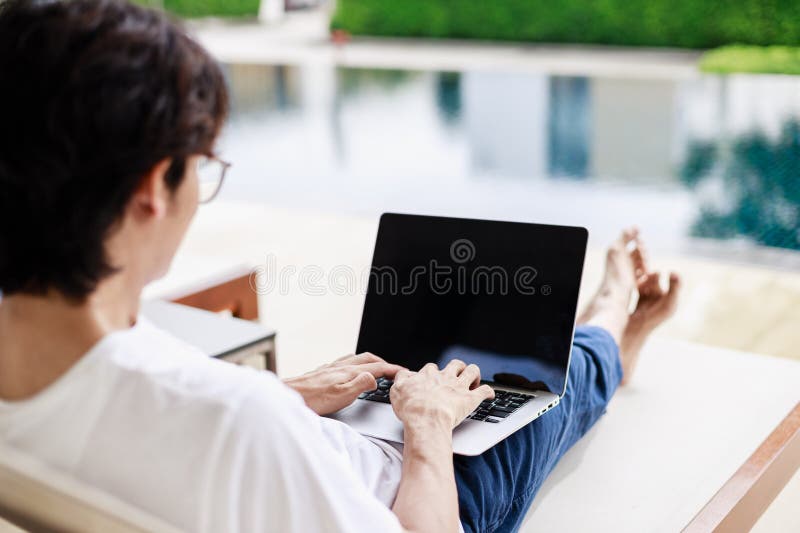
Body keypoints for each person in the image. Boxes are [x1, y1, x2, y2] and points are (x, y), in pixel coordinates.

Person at [0, 1, 680, 531]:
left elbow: (165, 424)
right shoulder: (236, 419)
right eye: (202, 167)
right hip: (424, 487)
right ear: (153, 189)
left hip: (311, 444)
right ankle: (614, 314)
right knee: (558, 387)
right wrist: (427, 426)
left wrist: (288, 394)